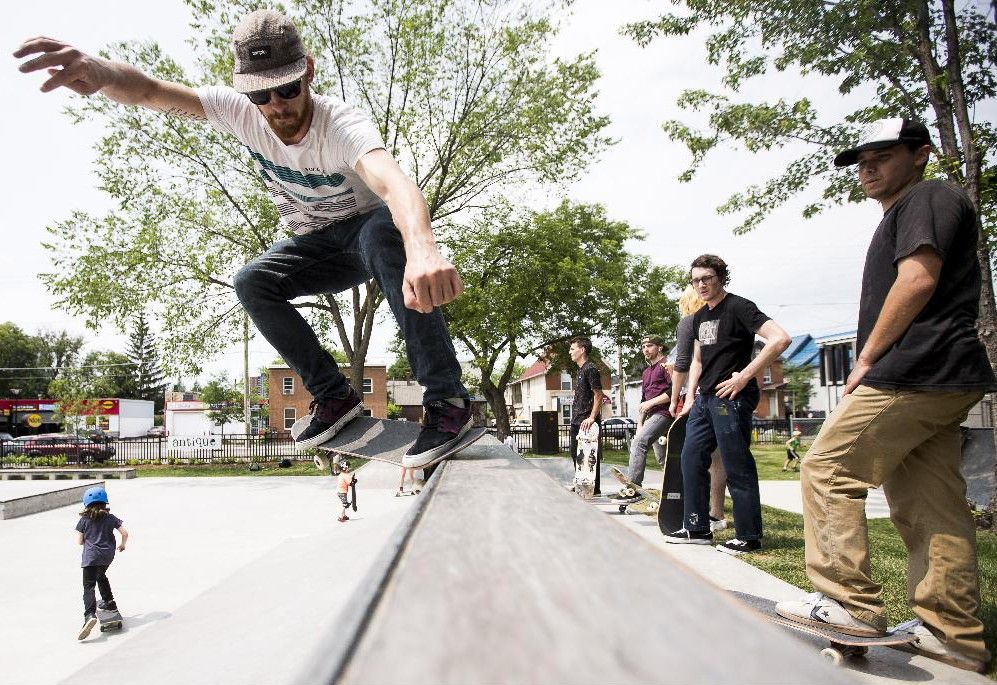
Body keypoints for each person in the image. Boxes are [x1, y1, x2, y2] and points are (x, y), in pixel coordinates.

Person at [16, 10, 471, 469]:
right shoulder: (238, 112)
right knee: (253, 281)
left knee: (381, 234)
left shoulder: (340, 125)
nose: (277, 105)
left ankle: (448, 400)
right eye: (260, 94)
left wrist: (423, 249)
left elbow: (395, 183)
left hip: (369, 234)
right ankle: (334, 397)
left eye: (289, 89)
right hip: (318, 246)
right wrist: (101, 72)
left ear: (308, 72)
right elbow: (152, 91)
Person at [775, 118, 994, 673]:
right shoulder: (915, 205)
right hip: (943, 374)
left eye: (882, 155)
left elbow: (918, 280)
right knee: (930, 503)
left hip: (915, 369)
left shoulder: (927, 197)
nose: (868, 167)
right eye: (861, 159)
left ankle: (848, 605)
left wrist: (867, 357)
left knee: (827, 468)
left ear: (920, 154)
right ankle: (951, 633)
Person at [665, 255, 791, 554]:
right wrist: (690, 396)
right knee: (690, 458)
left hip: (731, 397)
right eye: (696, 280)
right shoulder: (698, 318)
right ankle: (697, 528)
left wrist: (745, 376)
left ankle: (748, 536)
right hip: (704, 399)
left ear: (720, 277)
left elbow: (780, 338)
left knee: (736, 464)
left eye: (706, 278)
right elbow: (697, 361)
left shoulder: (739, 307)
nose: (701, 285)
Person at [668, 286, 728, 531]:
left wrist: (676, 399)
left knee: (692, 455)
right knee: (719, 457)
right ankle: (717, 513)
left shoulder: (689, 322)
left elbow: (684, 363)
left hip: (703, 396)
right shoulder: (721, 319)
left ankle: (695, 516)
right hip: (728, 392)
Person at [609, 334, 671, 504]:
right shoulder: (646, 372)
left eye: (649, 346)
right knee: (663, 459)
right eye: (643, 347)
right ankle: (673, 494)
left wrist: (651, 403)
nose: (646, 349)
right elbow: (643, 401)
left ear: (659, 347)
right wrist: (640, 423)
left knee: (639, 443)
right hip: (651, 415)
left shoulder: (666, 365)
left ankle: (633, 489)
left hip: (665, 413)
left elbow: (674, 392)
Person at [75, 485, 128, 640]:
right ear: (105, 502)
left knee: (89, 587)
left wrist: (87, 537)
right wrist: (123, 544)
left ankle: (89, 616)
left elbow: (79, 541)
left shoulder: (84, 520)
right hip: (107, 556)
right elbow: (125, 533)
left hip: (91, 558)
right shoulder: (110, 518)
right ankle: (109, 602)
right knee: (101, 575)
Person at [567, 337, 605, 495]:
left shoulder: (590, 368)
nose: (570, 352)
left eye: (572, 349)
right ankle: (581, 484)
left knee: (589, 456)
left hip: (587, 422)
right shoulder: (581, 369)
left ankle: (594, 489)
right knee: (575, 453)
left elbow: (599, 395)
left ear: (582, 350)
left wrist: (591, 417)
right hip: (577, 420)